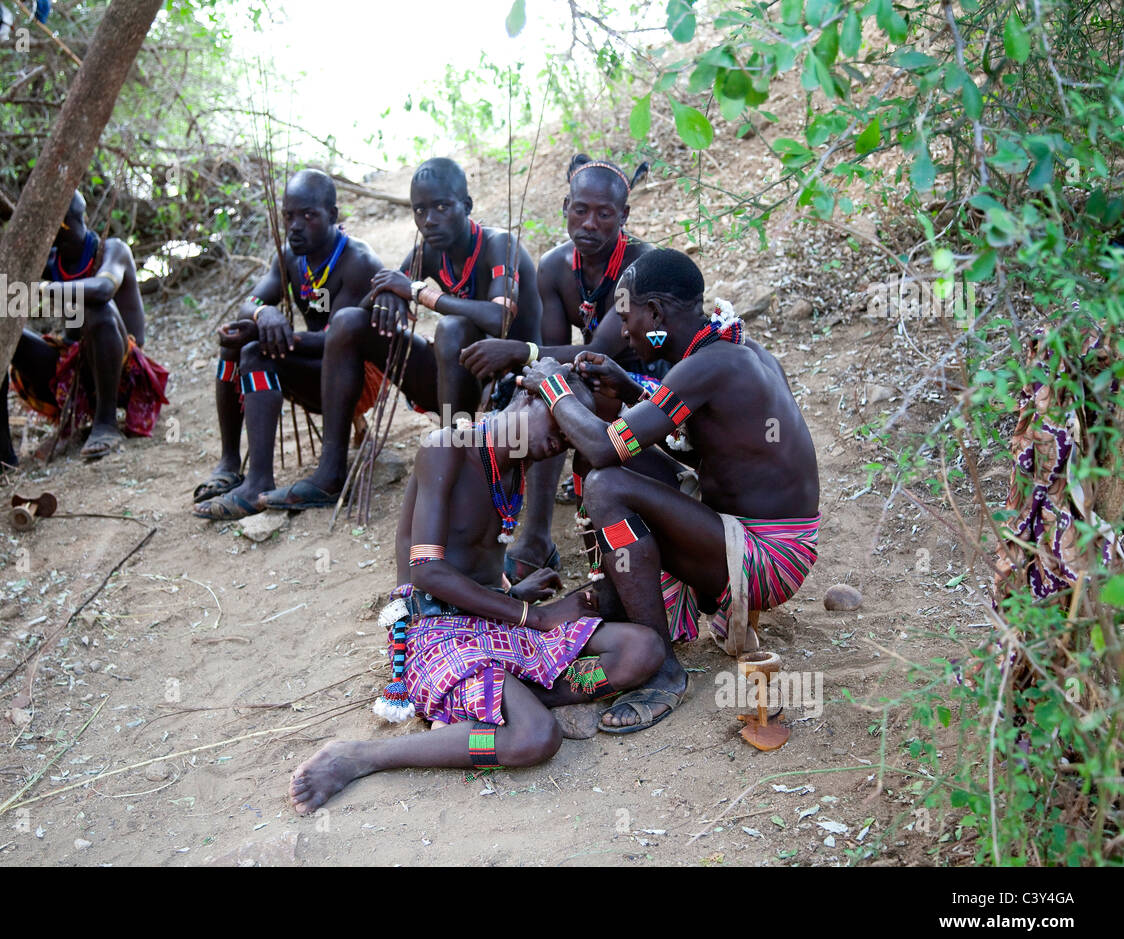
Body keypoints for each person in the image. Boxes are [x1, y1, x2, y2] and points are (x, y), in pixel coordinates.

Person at [287, 387, 663, 813]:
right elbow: (425, 571)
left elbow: (477, 565)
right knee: (534, 738)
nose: (560, 442)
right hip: (437, 631)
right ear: (524, 398)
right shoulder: (447, 447)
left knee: (642, 650)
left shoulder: (515, 468)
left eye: (570, 437)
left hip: (494, 617)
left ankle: (504, 701)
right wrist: (533, 615)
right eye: (557, 422)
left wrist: (513, 594)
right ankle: (362, 756)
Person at [520, 248, 820, 734]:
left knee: (605, 482)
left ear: (656, 313)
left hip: (767, 557)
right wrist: (630, 387)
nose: (624, 333)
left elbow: (602, 448)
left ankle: (660, 670)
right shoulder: (727, 352)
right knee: (618, 464)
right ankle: (624, 605)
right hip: (743, 535)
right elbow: (708, 438)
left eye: (627, 318)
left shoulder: (710, 365)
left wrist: (555, 388)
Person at [260, 157, 542, 510]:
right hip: (458, 384)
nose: (430, 220)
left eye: (442, 207)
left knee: (452, 328)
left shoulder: (499, 246)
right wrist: (388, 297)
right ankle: (330, 474)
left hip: (514, 385)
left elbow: (499, 316)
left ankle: (457, 464)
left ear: (466, 206)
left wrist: (419, 293)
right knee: (349, 321)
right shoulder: (427, 251)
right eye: (420, 210)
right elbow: (376, 297)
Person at [461, 154, 652, 582]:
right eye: (580, 210)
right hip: (593, 377)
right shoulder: (554, 267)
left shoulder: (639, 266)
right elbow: (555, 351)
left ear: (624, 215)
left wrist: (519, 352)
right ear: (565, 206)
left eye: (605, 214)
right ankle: (532, 539)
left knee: (558, 391)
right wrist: (524, 369)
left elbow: (601, 348)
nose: (589, 223)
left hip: (645, 386)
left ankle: (543, 541)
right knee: (544, 394)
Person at [192, 170, 383, 518]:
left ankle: (258, 483)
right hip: (312, 368)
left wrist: (279, 336)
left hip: (354, 380)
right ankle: (230, 464)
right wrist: (263, 316)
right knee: (235, 344)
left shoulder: (357, 262)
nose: (295, 225)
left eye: (308, 216)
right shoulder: (289, 258)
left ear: (333, 217)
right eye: (289, 216)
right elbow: (249, 303)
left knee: (256, 350)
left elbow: (337, 342)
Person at [0, 190, 167, 471]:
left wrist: (43, 289)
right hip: (73, 371)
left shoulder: (112, 249)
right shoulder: (50, 261)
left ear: (62, 224)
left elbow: (103, 289)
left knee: (96, 307)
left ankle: (105, 424)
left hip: (122, 372)